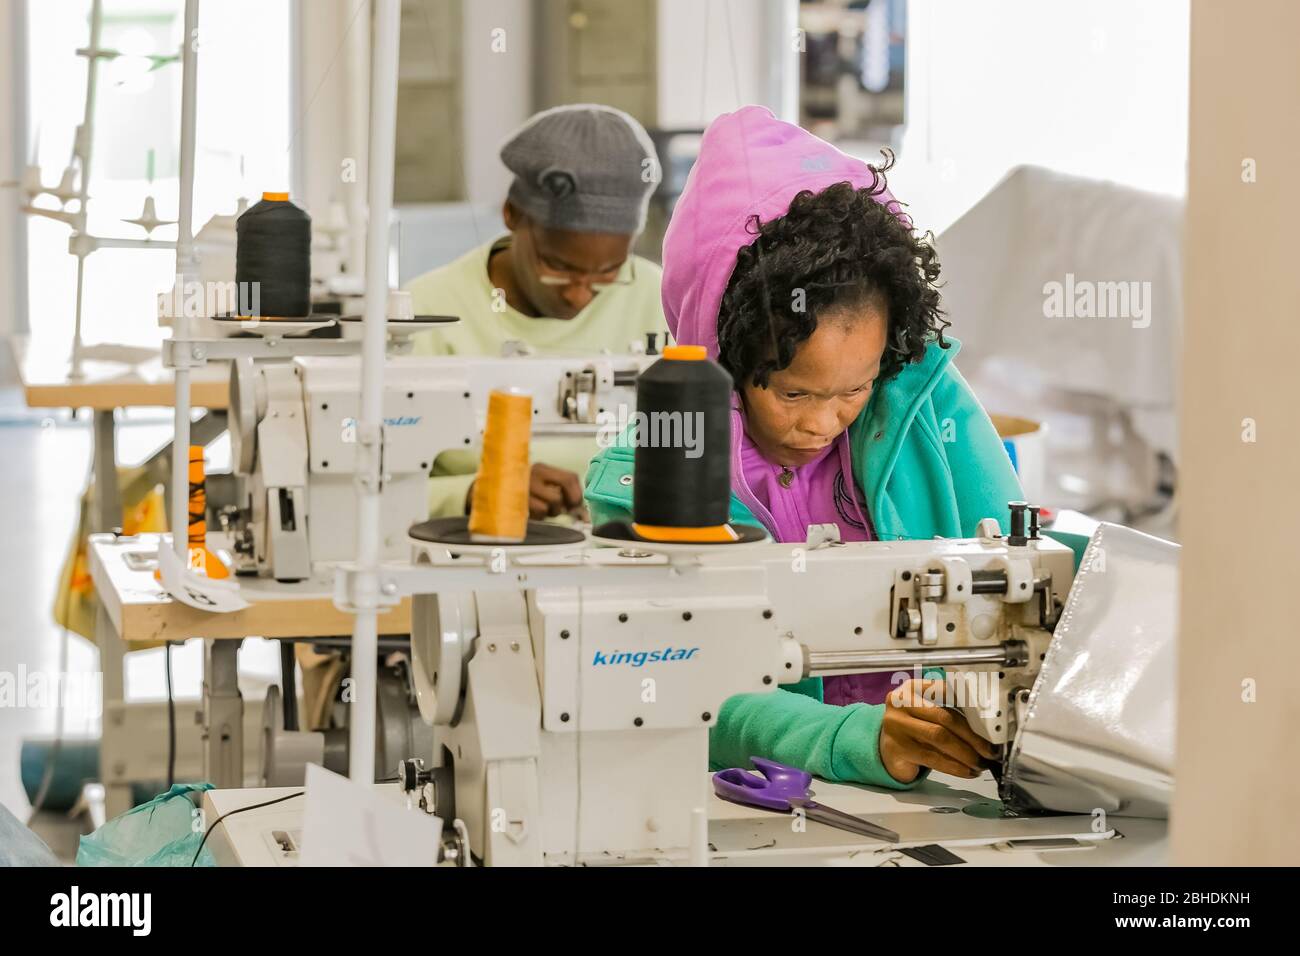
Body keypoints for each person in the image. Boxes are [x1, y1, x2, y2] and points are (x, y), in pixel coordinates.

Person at [585, 105, 1020, 788]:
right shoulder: (658, 464)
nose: (824, 424)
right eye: (792, 394)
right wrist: (856, 738)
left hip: (943, 786)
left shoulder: (924, 402)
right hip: (755, 804)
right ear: (726, 354)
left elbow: (1030, 574)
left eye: (854, 391)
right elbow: (668, 678)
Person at [406, 104, 668, 519]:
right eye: (558, 267)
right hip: (468, 561)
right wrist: (478, 492)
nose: (580, 295)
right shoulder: (424, 313)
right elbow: (370, 489)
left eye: (608, 272)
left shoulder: (661, 300)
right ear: (512, 215)